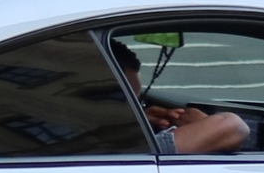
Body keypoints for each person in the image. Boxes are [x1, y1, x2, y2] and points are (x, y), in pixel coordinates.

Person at [108, 36, 255, 155]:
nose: (135, 110)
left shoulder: (94, 142)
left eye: (139, 104)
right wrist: (201, 125)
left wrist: (139, 122)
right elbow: (232, 126)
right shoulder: (120, 151)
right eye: (128, 103)